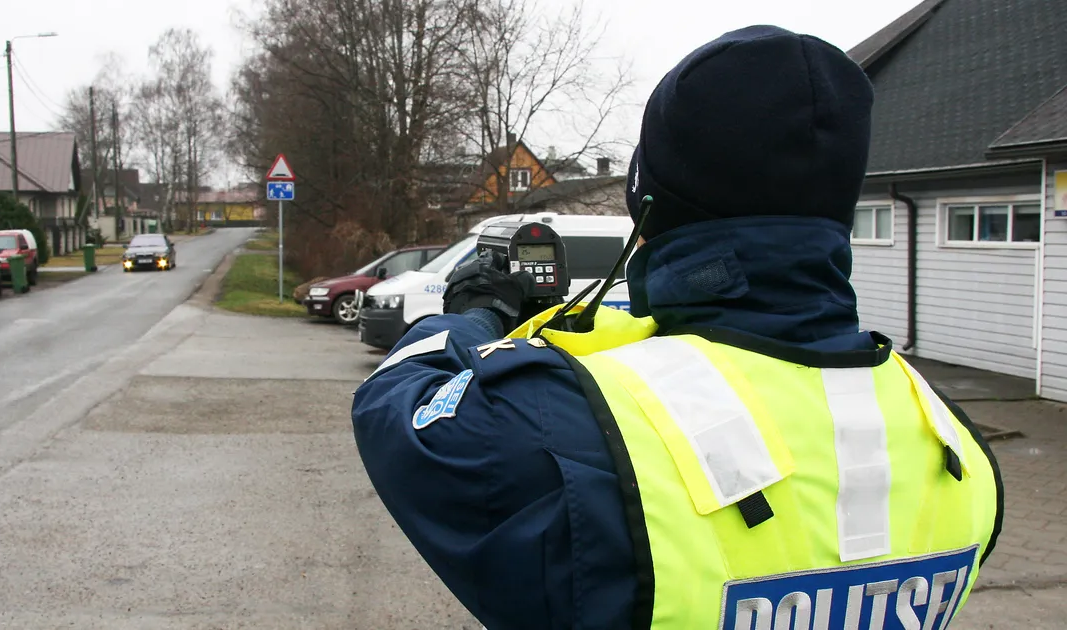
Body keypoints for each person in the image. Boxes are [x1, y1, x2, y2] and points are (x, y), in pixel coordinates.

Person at [351, 24, 1003, 630]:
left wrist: (475, 317)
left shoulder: (561, 430)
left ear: (647, 198)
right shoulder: (952, 441)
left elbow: (395, 403)